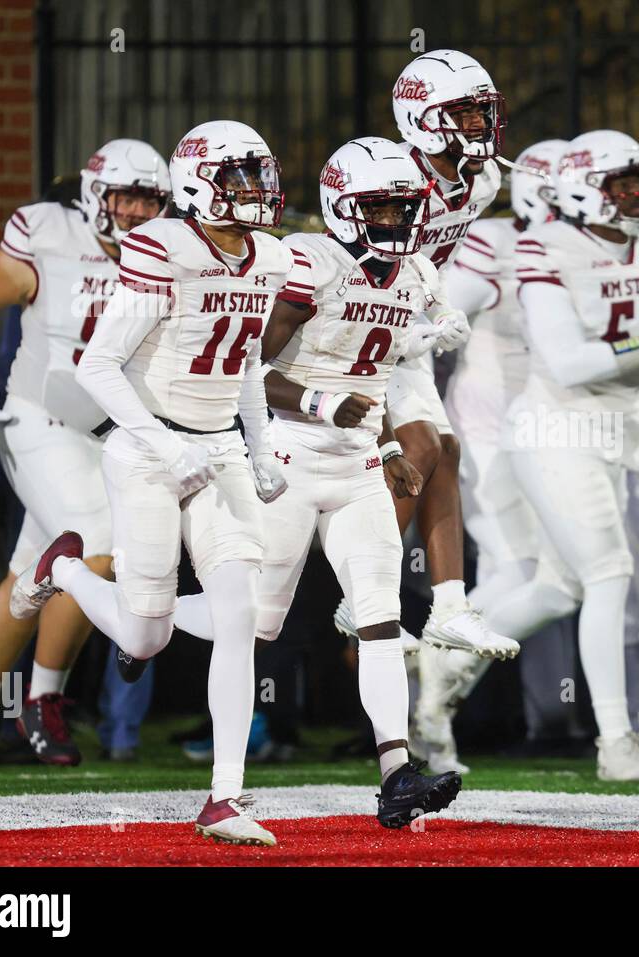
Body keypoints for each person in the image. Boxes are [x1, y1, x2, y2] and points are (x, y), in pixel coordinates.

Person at [173, 136, 471, 827]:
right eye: (384, 208)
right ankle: (139, 620)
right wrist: (316, 403)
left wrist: (392, 437)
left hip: (359, 463)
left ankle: (396, 771)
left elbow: (375, 373)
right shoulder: (312, 265)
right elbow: (248, 367)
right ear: (344, 208)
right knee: (250, 625)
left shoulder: (417, 276)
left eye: (406, 207)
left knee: (380, 616)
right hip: (286, 457)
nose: (399, 221)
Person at [10, 120, 292, 846]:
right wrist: (164, 444)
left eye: (259, 175)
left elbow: (248, 362)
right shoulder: (165, 246)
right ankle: (64, 567)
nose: (256, 192)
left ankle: (224, 797)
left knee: (241, 612)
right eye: (239, 177)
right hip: (144, 448)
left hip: (219, 447)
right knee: (145, 631)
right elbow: (98, 366)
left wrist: (260, 446)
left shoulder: (269, 254)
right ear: (200, 182)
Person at [0, 140, 169, 776]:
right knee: (101, 545)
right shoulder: (49, 234)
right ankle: (44, 697)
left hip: (108, 434)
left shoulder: (170, 252)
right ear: (96, 195)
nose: (137, 213)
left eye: (150, 200)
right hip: (39, 422)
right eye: (126, 198)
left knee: (29, 575)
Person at [486, 129, 639, 781]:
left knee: (560, 586)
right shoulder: (546, 246)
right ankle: (616, 744)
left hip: (615, 429)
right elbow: (569, 362)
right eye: (623, 184)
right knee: (610, 572)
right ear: (585, 191)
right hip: (555, 426)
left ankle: (439, 664)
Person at [411, 137, 568, 773]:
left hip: (550, 423)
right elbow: (429, 323)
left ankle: (437, 688)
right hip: (494, 422)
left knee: (532, 573)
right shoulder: (496, 242)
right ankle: (439, 684)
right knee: (548, 574)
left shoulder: (581, 248)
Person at [382, 49, 518, 660]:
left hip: (404, 318)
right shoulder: (391, 178)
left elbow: (432, 258)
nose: (476, 124)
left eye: (481, 110)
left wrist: (432, 307)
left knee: (444, 450)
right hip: (359, 319)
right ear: (420, 116)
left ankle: (449, 608)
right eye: (462, 112)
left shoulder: (481, 179)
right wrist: (415, 319)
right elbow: (363, 266)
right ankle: (367, 589)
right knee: (419, 448)